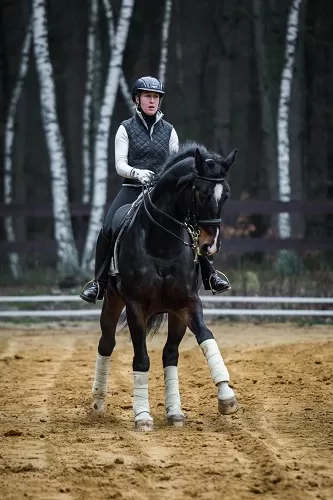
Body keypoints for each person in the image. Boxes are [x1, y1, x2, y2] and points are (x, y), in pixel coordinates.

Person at [80, 76, 230, 304]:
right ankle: (98, 283)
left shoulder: (169, 131)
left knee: (191, 225)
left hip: (162, 193)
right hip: (132, 188)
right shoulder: (125, 129)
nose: (152, 101)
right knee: (109, 227)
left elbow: (176, 163)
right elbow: (120, 164)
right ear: (137, 99)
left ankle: (210, 275)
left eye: (156, 97)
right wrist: (137, 173)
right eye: (148, 96)